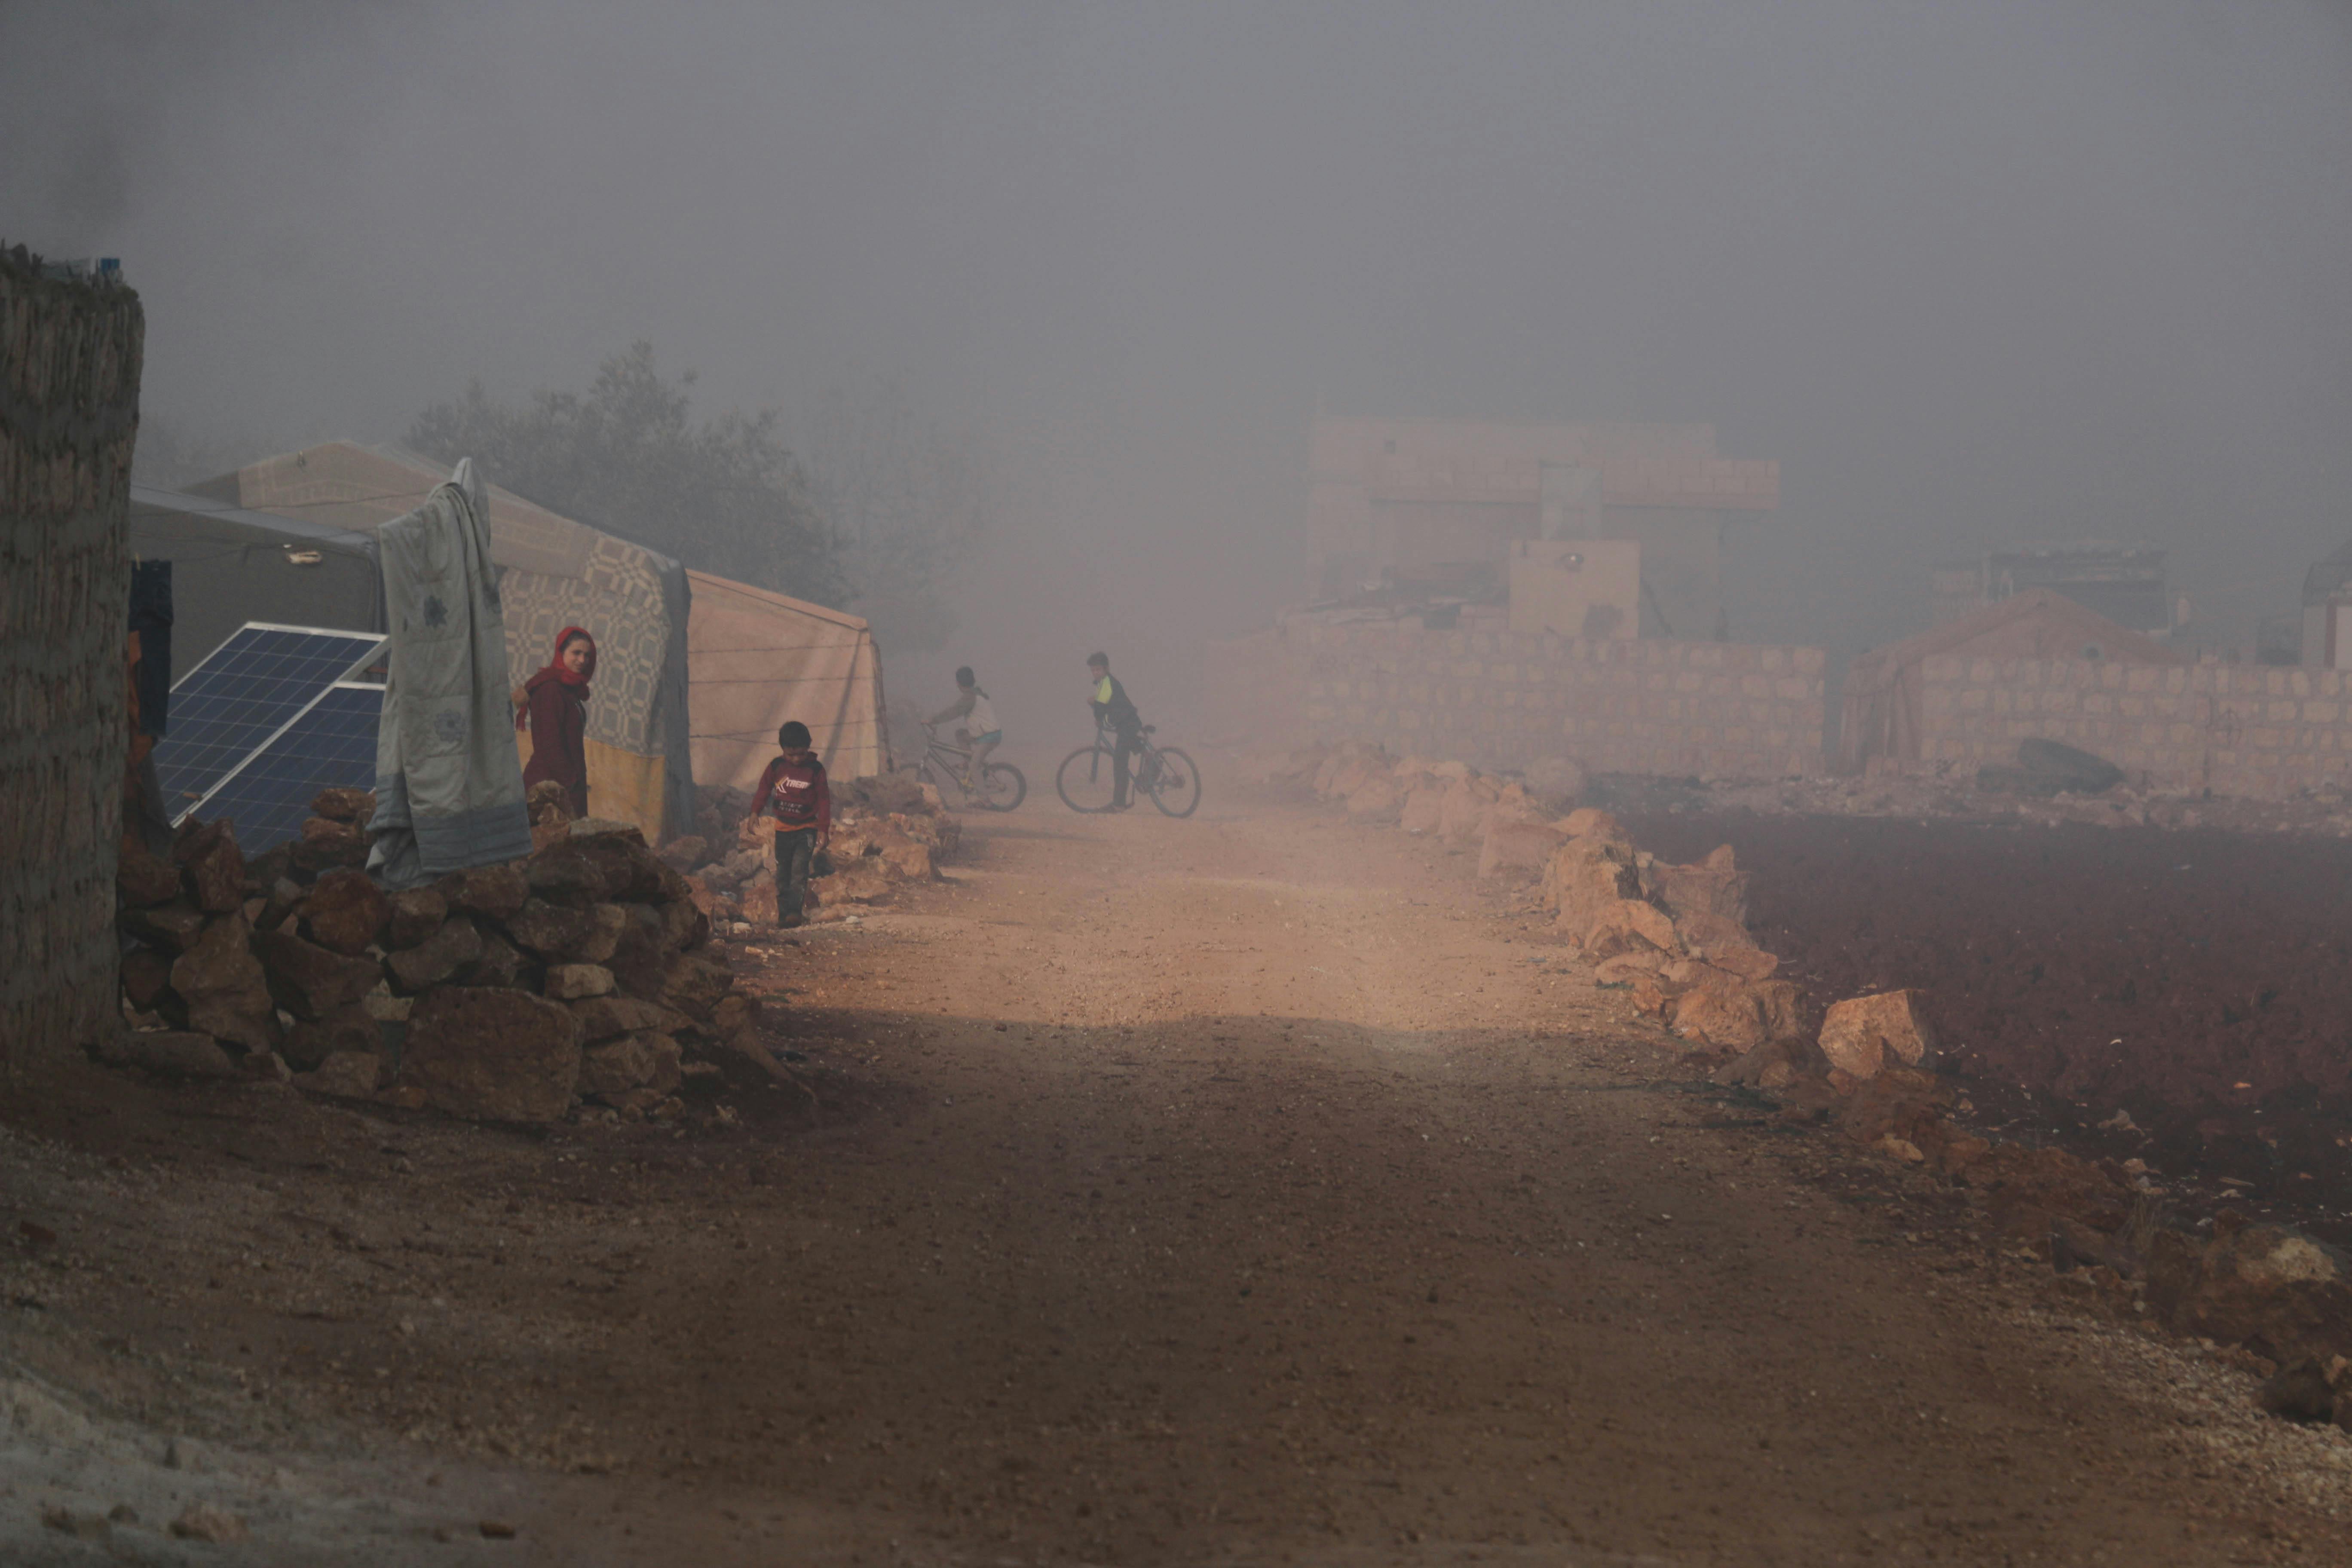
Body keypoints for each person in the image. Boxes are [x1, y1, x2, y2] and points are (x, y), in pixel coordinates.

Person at [745, 720, 831, 926]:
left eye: (801, 754)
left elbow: (824, 800)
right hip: (783, 829)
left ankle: (795, 912)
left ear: (808, 747)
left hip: (807, 829)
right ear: (782, 749)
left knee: (799, 871)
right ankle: (784, 914)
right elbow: (764, 789)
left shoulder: (816, 770)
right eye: (791, 755)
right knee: (782, 872)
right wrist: (755, 812)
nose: (796, 760)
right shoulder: (776, 767)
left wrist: (823, 829)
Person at [516, 626, 595, 818]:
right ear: (561, 652)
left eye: (586, 655)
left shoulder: (569, 691)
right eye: (576, 653)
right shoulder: (550, 690)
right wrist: (570, 783)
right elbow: (549, 745)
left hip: (564, 785)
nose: (582, 660)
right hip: (549, 788)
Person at [1086, 651, 1144, 809]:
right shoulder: (1104, 683)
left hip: (1127, 725)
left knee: (1120, 762)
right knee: (1137, 749)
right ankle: (1153, 765)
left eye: (1098, 669)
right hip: (1127, 723)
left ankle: (1118, 804)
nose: (1096, 673)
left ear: (1106, 669)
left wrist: (1097, 715)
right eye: (1093, 670)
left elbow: (1101, 707)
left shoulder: (1107, 683)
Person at [927, 665, 1001, 787]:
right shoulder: (976, 693)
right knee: (961, 735)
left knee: (974, 767)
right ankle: (968, 762)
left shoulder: (970, 697)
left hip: (988, 737)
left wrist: (933, 720)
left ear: (958, 683)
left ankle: (984, 800)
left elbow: (954, 712)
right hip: (987, 734)